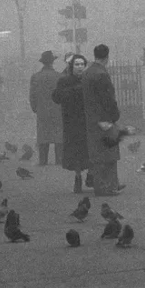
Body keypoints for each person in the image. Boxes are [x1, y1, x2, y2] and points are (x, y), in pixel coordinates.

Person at [82, 44, 125, 196]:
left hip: (91, 119)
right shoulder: (101, 74)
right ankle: (107, 187)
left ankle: (104, 185)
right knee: (109, 154)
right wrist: (113, 116)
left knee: (97, 154)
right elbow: (108, 99)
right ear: (107, 57)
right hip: (104, 120)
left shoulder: (87, 73)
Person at [51, 54, 91, 192]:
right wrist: (73, 91)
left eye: (82, 64)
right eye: (77, 64)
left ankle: (91, 174)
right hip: (72, 121)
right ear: (72, 66)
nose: (80, 67)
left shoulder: (89, 80)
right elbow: (56, 97)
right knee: (76, 153)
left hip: (87, 120)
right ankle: (78, 178)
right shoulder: (65, 81)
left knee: (90, 149)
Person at [29, 51, 64, 166]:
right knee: (58, 137)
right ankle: (59, 161)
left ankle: (43, 161)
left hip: (42, 111)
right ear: (53, 62)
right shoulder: (59, 77)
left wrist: (35, 108)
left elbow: (32, 96)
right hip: (57, 111)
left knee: (43, 137)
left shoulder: (35, 77)